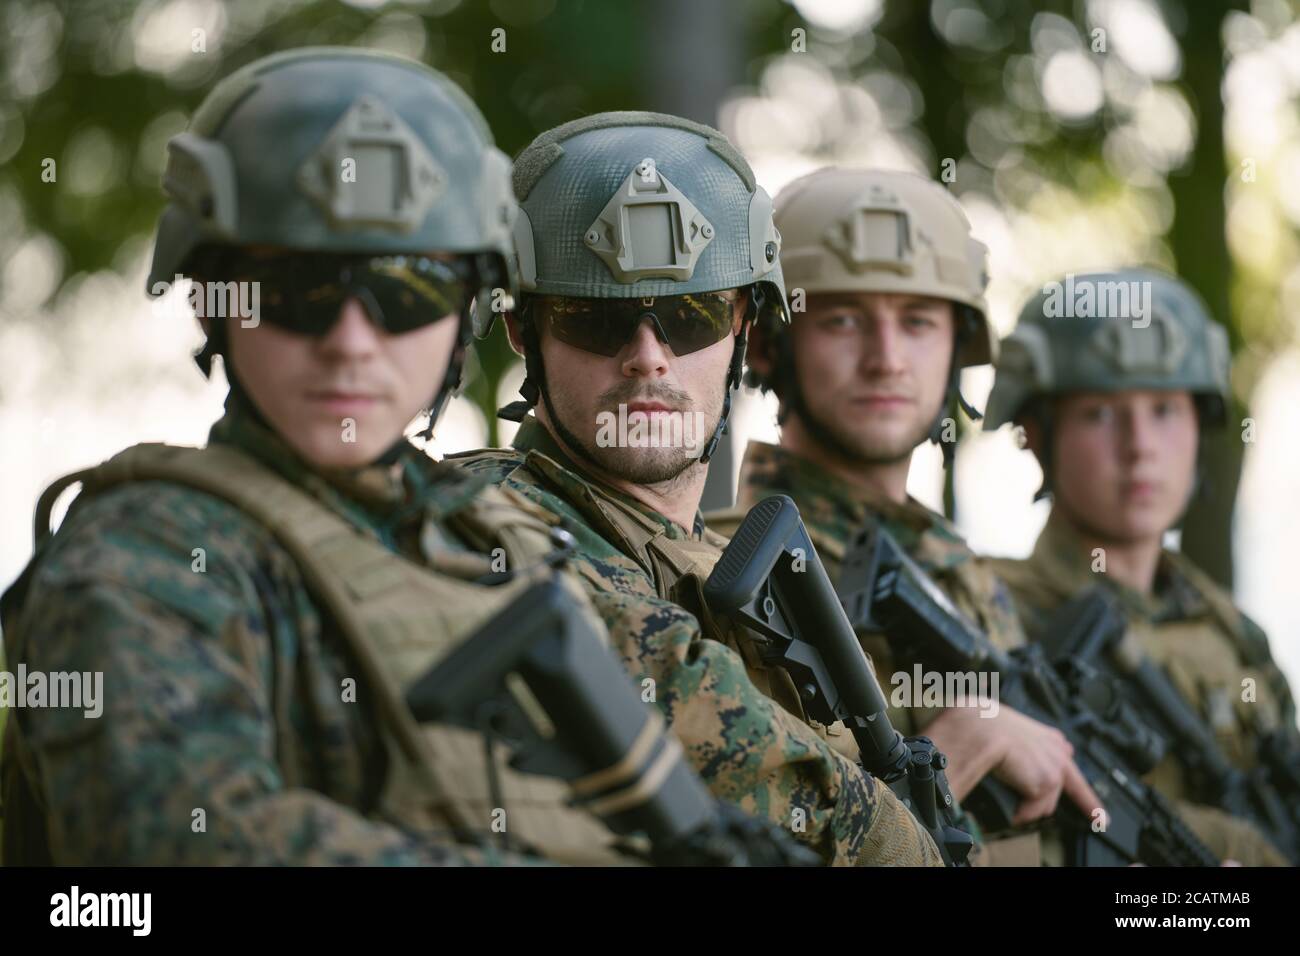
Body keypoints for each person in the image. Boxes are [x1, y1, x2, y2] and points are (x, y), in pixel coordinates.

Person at [1, 52, 935, 867]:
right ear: (215, 303)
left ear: (465, 315)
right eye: (298, 291)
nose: (353, 342)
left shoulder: (468, 539)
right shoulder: (146, 552)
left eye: (406, 291)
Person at [452, 115, 942, 864]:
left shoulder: (718, 564)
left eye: (691, 316)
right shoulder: (481, 519)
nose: (648, 358)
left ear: (743, 323)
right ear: (523, 330)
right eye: (597, 318)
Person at [709, 168, 1103, 865]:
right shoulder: (729, 573)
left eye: (917, 322)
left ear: (958, 350)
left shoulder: (959, 567)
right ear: (769, 345)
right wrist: (954, 747)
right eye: (842, 320)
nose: (886, 359)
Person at [982, 267, 1298, 866]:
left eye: (1164, 410)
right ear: (1036, 434)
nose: (1140, 446)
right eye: (1100, 413)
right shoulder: (989, 609)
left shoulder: (1232, 632)